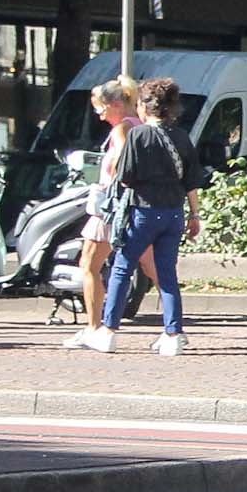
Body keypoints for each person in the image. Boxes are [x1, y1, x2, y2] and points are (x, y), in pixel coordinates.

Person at [77, 77, 204, 355]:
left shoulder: (138, 135)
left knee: (122, 268)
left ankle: (108, 331)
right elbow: (192, 181)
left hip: (143, 211)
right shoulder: (182, 137)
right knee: (167, 273)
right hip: (173, 213)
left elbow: (124, 177)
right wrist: (194, 215)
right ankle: (173, 334)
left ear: (146, 107)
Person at [64, 79, 158, 345]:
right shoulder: (142, 126)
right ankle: (174, 328)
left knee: (89, 265)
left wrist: (109, 181)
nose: (99, 115)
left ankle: (94, 328)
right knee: (154, 267)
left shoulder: (122, 129)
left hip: (113, 207)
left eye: (101, 109)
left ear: (116, 105)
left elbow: (122, 165)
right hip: (138, 206)